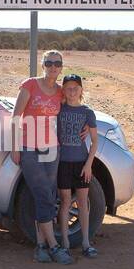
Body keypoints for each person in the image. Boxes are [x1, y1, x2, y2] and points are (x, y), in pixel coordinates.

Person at [10, 51, 74, 264]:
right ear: (43, 64)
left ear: (61, 67)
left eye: (57, 63)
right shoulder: (30, 85)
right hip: (30, 147)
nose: (53, 67)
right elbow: (15, 117)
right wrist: (15, 147)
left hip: (52, 148)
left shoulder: (59, 92)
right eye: (49, 63)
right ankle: (54, 247)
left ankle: (40, 246)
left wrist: (86, 127)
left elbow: (71, 110)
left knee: (47, 195)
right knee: (43, 195)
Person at [56, 73, 99, 257]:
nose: (72, 91)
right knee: (65, 201)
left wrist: (89, 165)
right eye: (68, 88)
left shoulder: (87, 112)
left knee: (82, 202)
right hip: (63, 163)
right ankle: (65, 242)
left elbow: (95, 141)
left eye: (76, 88)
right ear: (63, 91)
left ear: (81, 90)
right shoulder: (59, 109)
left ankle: (86, 242)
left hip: (81, 163)